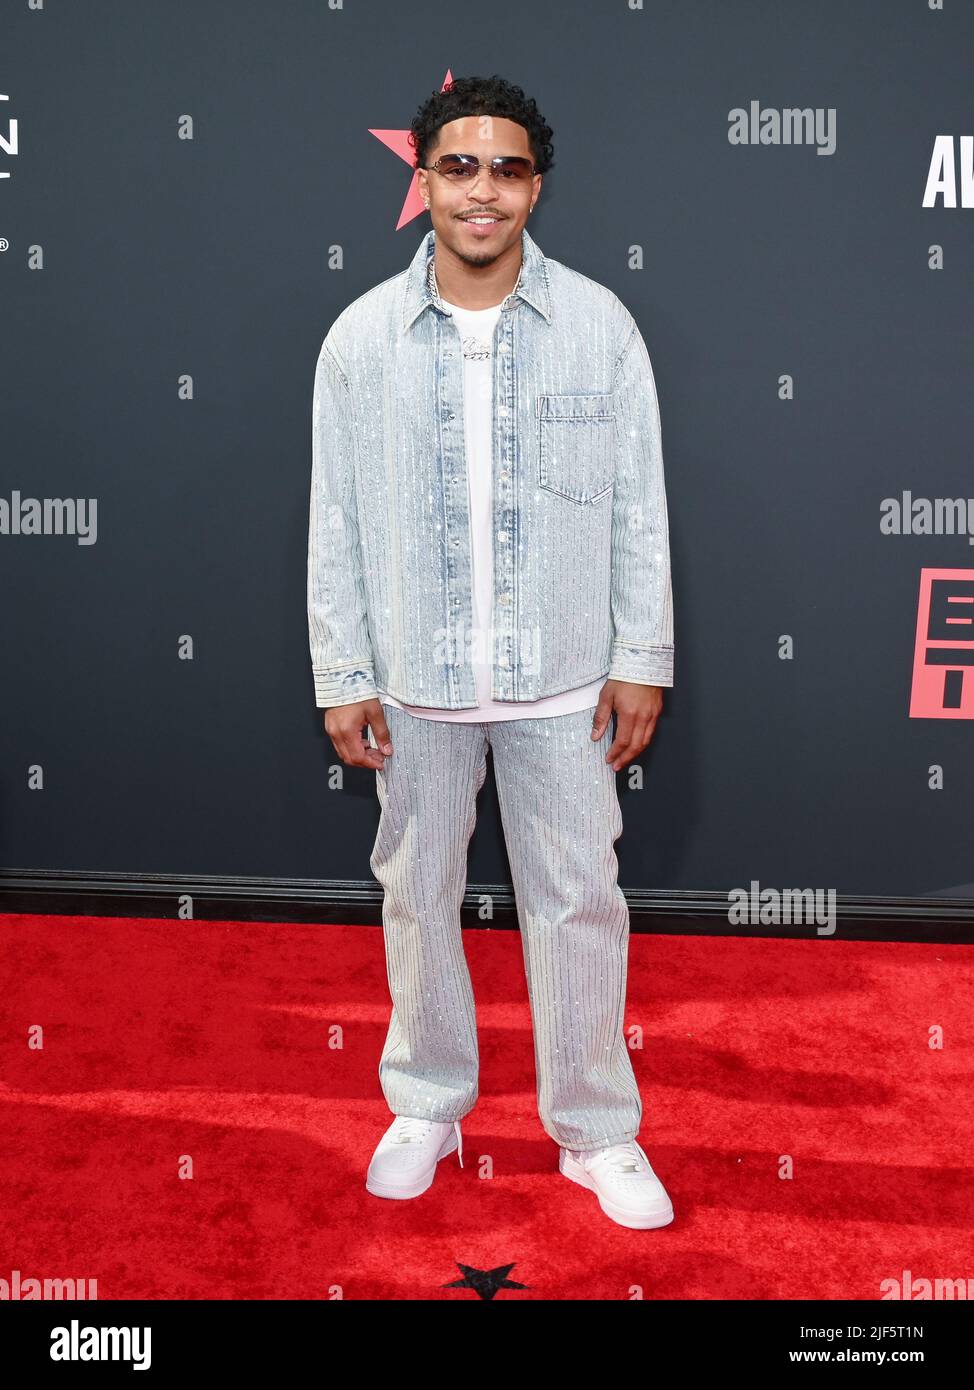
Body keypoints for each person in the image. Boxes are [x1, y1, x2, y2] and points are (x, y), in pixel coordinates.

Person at [307, 75, 675, 1230]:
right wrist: (342, 670)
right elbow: (336, 519)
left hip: (563, 677)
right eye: (457, 166)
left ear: (534, 184)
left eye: (506, 168)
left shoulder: (600, 326)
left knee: (576, 902)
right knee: (416, 896)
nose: (481, 189)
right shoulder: (359, 337)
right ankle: (428, 1101)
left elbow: (638, 508)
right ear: (421, 182)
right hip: (413, 679)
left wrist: (641, 655)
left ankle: (595, 1131)